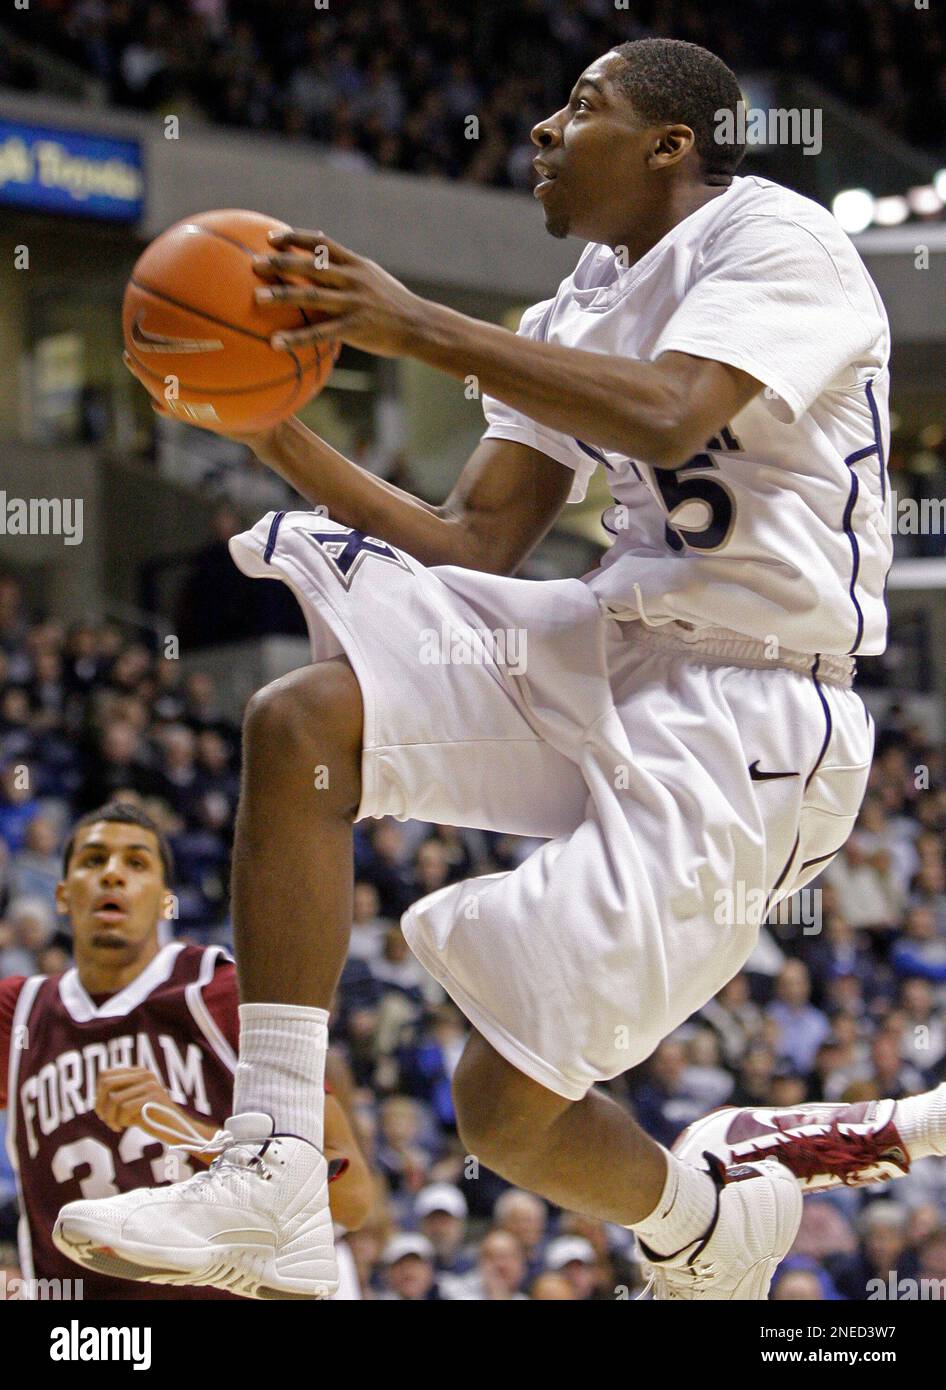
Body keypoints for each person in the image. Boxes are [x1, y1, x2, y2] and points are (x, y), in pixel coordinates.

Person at [59, 36, 930, 1301]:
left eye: (581, 107)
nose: (541, 130)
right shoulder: (576, 296)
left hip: (758, 705)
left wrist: (410, 323)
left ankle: (696, 1220)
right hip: (608, 636)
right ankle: (272, 1166)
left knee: (500, 1113)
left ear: (669, 147)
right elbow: (475, 536)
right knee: (301, 723)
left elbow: (675, 410)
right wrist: (268, 429)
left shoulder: (776, 239)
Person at [1, 802, 370, 1298]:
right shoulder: (18, 1012)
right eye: (93, 861)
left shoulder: (220, 993)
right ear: (63, 895)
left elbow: (353, 1199)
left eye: (136, 863)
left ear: (165, 901)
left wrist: (180, 1127)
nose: (112, 875)